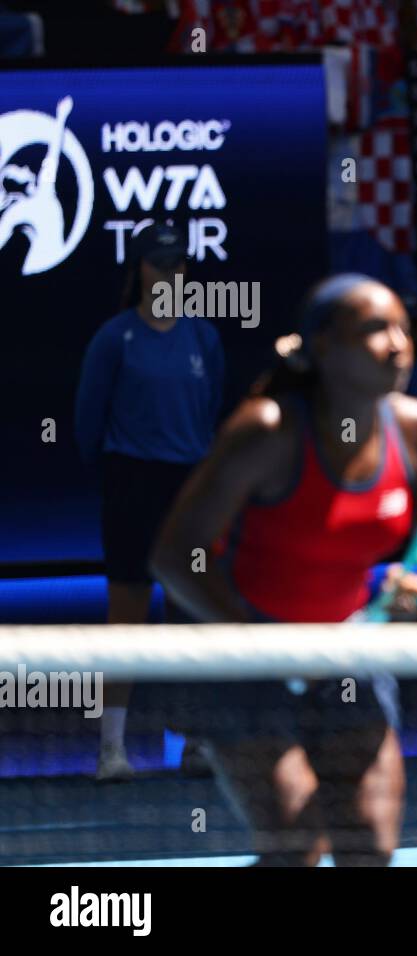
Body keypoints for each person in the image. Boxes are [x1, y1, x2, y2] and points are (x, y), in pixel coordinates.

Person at [150, 274, 417, 866]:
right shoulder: (266, 431)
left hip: (349, 651)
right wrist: (261, 644)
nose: (398, 345)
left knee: (369, 845)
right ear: (322, 347)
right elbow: (174, 555)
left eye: (404, 329)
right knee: (299, 847)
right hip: (240, 659)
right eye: (374, 330)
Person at [74, 221, 224, 781]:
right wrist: (124, 475)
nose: (172, 273)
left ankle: (194, 744)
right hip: (132, 488)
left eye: (180, 264)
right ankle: (110, 749)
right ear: (137, 270)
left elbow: (208, 411)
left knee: (192, 620)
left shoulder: (203, 337)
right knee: (127, 620)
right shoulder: (115, 338)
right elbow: (87, 424)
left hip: (187, 490)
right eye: (161, 264)